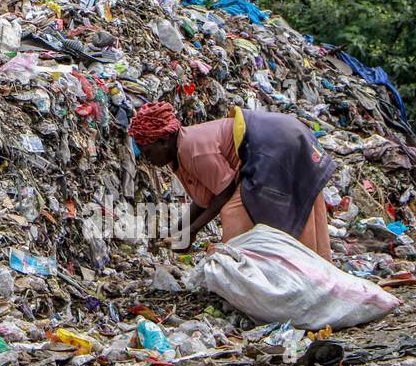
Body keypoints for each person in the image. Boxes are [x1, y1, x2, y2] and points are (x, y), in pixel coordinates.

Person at [129, 101, 333, 259]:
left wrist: (190, 233)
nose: (147, 159)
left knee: (235, 212)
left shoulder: (192, 151)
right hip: (282, 138)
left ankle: (253, 274)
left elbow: (224, 193)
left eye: (148, 152)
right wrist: (175, 232)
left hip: (278, 147)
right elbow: (205, 200)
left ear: (163, 141)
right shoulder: (180, 152)